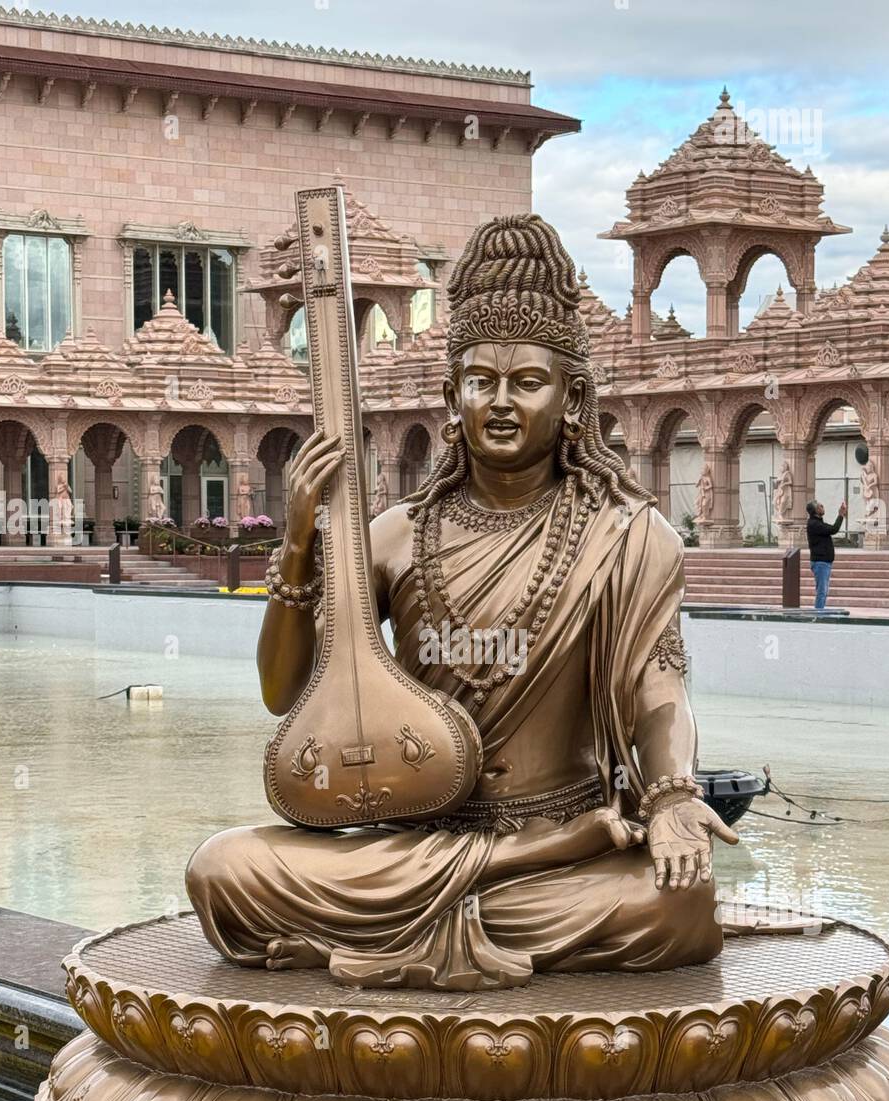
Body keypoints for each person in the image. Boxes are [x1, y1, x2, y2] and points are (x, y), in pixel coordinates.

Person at [186, 213, 739, 990]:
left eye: (527, 381)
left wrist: (675, 794)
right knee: (223, 869)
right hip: (420, 838)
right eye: (481, 381)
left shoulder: (631, 535)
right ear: (452, 396)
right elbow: (284, 694)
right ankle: (494, 883)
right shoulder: (388, 536)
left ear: (572, 399)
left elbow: (658, 683)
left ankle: (396, 932)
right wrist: (298, 545)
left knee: (677, 906)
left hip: (562, 831)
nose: (501, 402)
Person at [806, 498, 847, 610]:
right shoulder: (814, 524)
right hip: (820, 563)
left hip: (824, 562)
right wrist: (841, 515)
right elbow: (833, 529)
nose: (822, 506)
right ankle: (818, 614)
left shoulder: (818, 522)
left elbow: (831, 529)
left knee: (823, 591)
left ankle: (819, 611)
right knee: (822, 591)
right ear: (815, 510)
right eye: (820, 506)